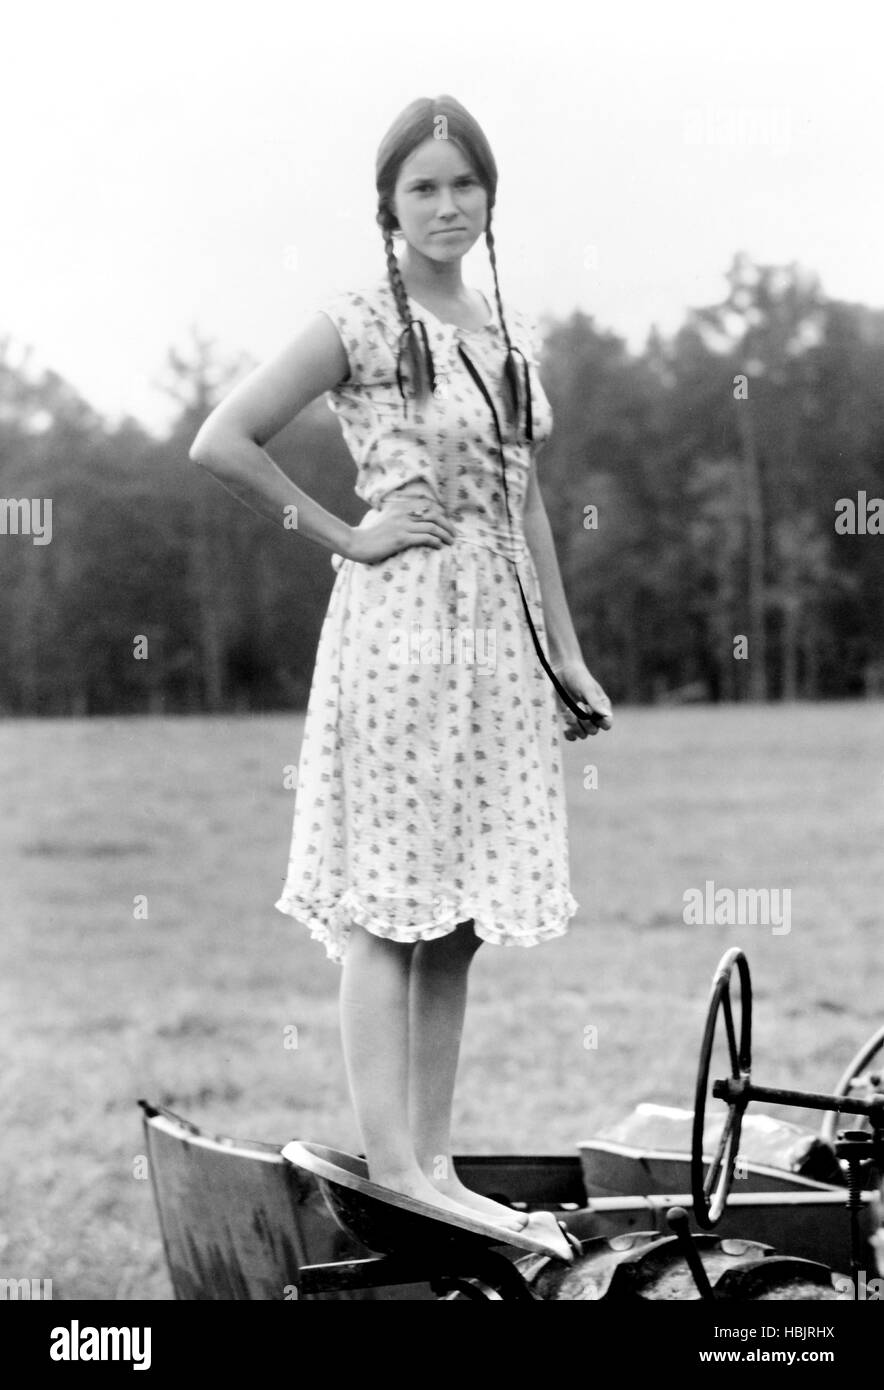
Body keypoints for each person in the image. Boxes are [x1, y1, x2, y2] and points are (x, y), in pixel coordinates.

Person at [189, 94, 613, 1243]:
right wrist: (347, 531)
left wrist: (564, 655)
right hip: (398, 633)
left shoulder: (503, 336)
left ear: (488, 196)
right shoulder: (356, 319)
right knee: (389, 905)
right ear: (388, 202)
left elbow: (523, 510)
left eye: (461, 183)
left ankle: (433, 1162)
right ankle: (389, 1169)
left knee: (459, 917)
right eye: (421, 186)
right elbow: (222, 440)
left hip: (498, 651)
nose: (444, 204)